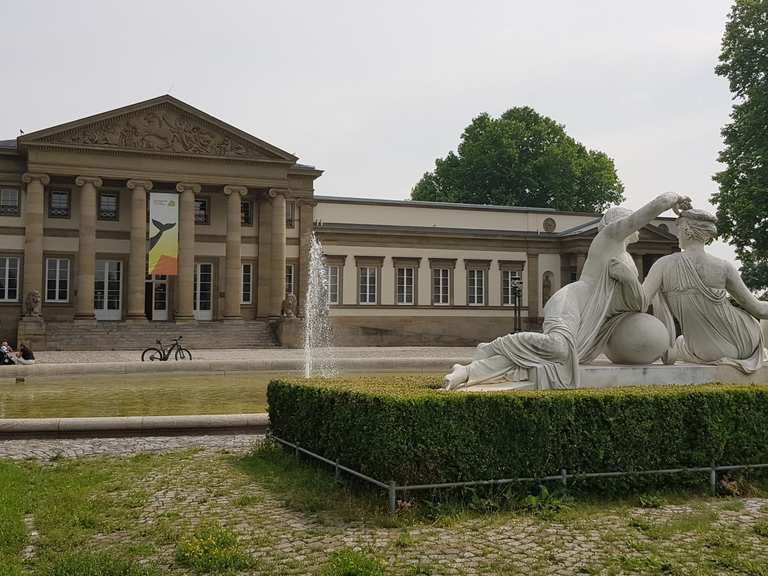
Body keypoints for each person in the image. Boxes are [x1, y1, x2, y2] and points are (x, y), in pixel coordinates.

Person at [444, 192, 692, 390]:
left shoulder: (626, 258)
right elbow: (640, 217)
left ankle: (468, 371)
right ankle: (494, 346)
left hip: (591, 320)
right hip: (570, 302)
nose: (634, 225)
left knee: (556, 359)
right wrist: (671, 199)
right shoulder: (607, 241)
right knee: (558, 349)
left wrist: (628, 280)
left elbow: (636, 305)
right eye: (628, 221)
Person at [642, 208, 768, 373]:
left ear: (687, 231)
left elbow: (639, 301)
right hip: (746, 341)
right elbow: (759, 309)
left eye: (678, 229)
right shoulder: (724, 266)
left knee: (679, 342)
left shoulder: (664, 264)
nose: (677, 234)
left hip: (707, 351)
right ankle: (764, 350)